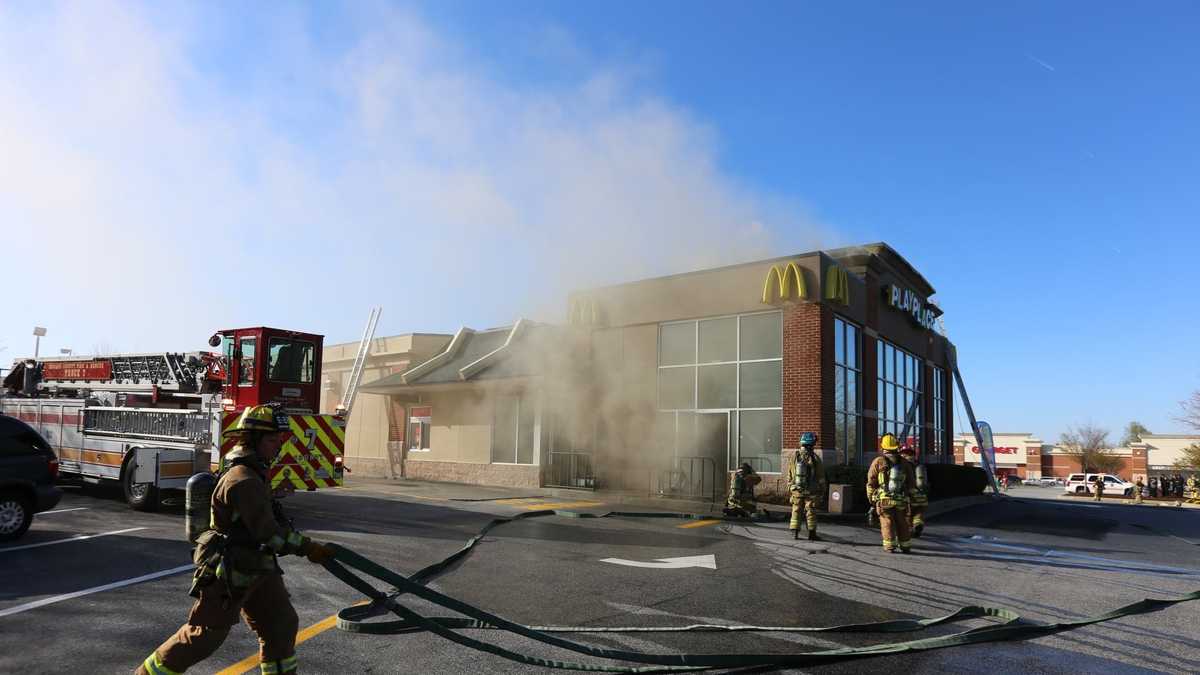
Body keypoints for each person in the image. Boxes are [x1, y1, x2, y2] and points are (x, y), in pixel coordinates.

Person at [136, 405, 336, 675]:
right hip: (231, 570)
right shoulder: (243, 479)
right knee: (204, 636)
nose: (277, 446)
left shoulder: (254, 473)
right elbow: (270, 533)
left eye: (279, 440)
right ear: (252, 440)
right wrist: (308, 548)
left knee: (281, 624)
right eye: (271, 440)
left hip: (258, 567)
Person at [866, 433, 917, 554]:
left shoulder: (878, 461)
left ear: (883, 447)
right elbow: (911, 482)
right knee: (902, 522)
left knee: (887, 521)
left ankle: (890, 546)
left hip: (884, 499)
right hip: (901, 499)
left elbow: (871, 482)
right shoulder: (904, 463)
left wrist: (871, 498)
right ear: (896, 447)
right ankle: (905, 545)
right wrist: (911, 497)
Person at [787, 432, 826, 541]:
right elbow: (821, 476)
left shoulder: (794, 456)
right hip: (811, 491)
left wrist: (790, 486)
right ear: (811, 444)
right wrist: (823, 489)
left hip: (796, 489)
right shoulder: (814, 458)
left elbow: (790, 473)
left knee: (796, 510)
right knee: (811, 511)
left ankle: (795, 533)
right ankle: (812, 534)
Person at [899, 444, 929, 537]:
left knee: (908, 514)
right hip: (921, 496)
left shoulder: (903, 466)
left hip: (909, 495)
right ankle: (918, 525)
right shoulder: (919, 465)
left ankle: (909, 530)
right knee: (918, 513)